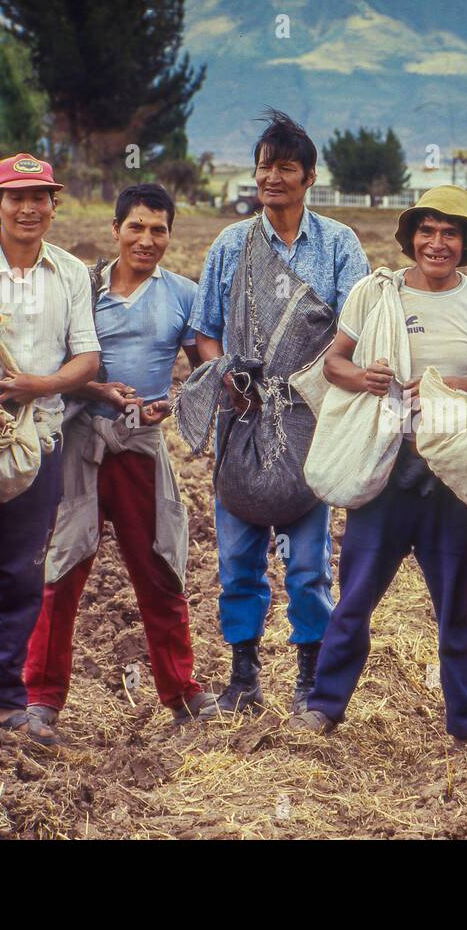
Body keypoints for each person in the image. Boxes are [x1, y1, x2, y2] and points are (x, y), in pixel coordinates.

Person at [286, 186, 467, 748]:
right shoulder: (375, 292)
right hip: (386, 468)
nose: (438, 243)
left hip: (453, 475)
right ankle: (325, 706)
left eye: (450, 233)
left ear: (466, 243)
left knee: (455, 604)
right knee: (357, 595)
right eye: (427, 231)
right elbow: (334, 362)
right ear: (411, 237)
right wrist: (363, 378)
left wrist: (455, 385)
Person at [191, 110, 370, 713]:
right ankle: (243, 680)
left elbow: (356, 331)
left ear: (309, 177)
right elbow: (206, 332)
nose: (272, 178)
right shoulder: (230, 245)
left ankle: (309, 680)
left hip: (309, 420)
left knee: (308, 562)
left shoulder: (339, 245)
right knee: (238, 559)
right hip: (240, 419)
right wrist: (228, 378)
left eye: (285, 168)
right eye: (265, 167)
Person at [23, 183, 218, 733]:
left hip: (140, 445)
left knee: (160, 564)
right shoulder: (80, 289)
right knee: (63, 565)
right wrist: (97, 393)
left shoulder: (183, 294)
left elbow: (201, 369)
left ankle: (181, 691)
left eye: (159, 229)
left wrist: (172, 407)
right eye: (136, 226)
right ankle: (41, 697)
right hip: (80, 442)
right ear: (115, 230)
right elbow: (61, 363)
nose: (147, 239)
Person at [0, 153, 101, 744]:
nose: (29, 208)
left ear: (54, 206)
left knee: (22, 575)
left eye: (41, 197)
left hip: (42, 440)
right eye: (17, 197)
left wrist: (42, 385)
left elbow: (87, 357)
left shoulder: (70, 273)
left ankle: (6, 700)